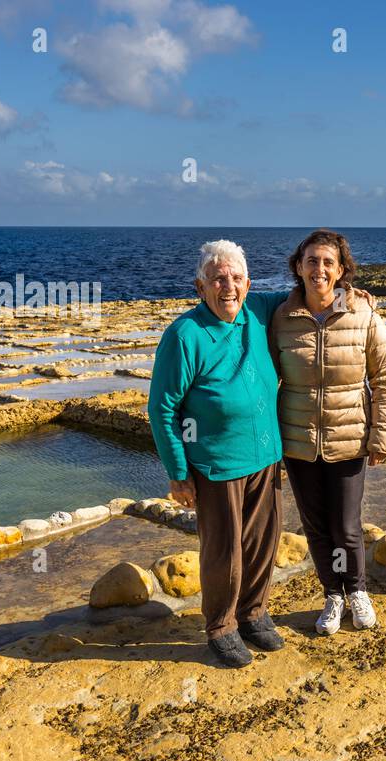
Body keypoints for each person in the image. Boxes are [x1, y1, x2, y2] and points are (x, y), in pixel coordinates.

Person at [147, 240, 288, 667]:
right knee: (224, 552)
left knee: (264, 542)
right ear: (200, 286)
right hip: (217, 463)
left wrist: (349, 294)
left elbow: (308, 291)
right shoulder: (185, 335)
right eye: (218, 278)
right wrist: (177, 471)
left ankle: (253, 612)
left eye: (236, 278)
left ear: (249, 282)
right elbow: (162, 407)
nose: (229, 286)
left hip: (265, 456)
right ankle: (221, 626)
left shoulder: (258, 312)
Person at [272, 229, 386, 636]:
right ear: (298, 267)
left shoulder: (362, 313)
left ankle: (357, 590)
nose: (319, 269)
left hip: (349, 437)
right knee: (315, 525)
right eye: (311, 261)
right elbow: (264, 376)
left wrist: (382, 436)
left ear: (342, 270)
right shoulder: (282, 317)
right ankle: (332, 595)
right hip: (298, 439)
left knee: (346, 523)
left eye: (328, 262)